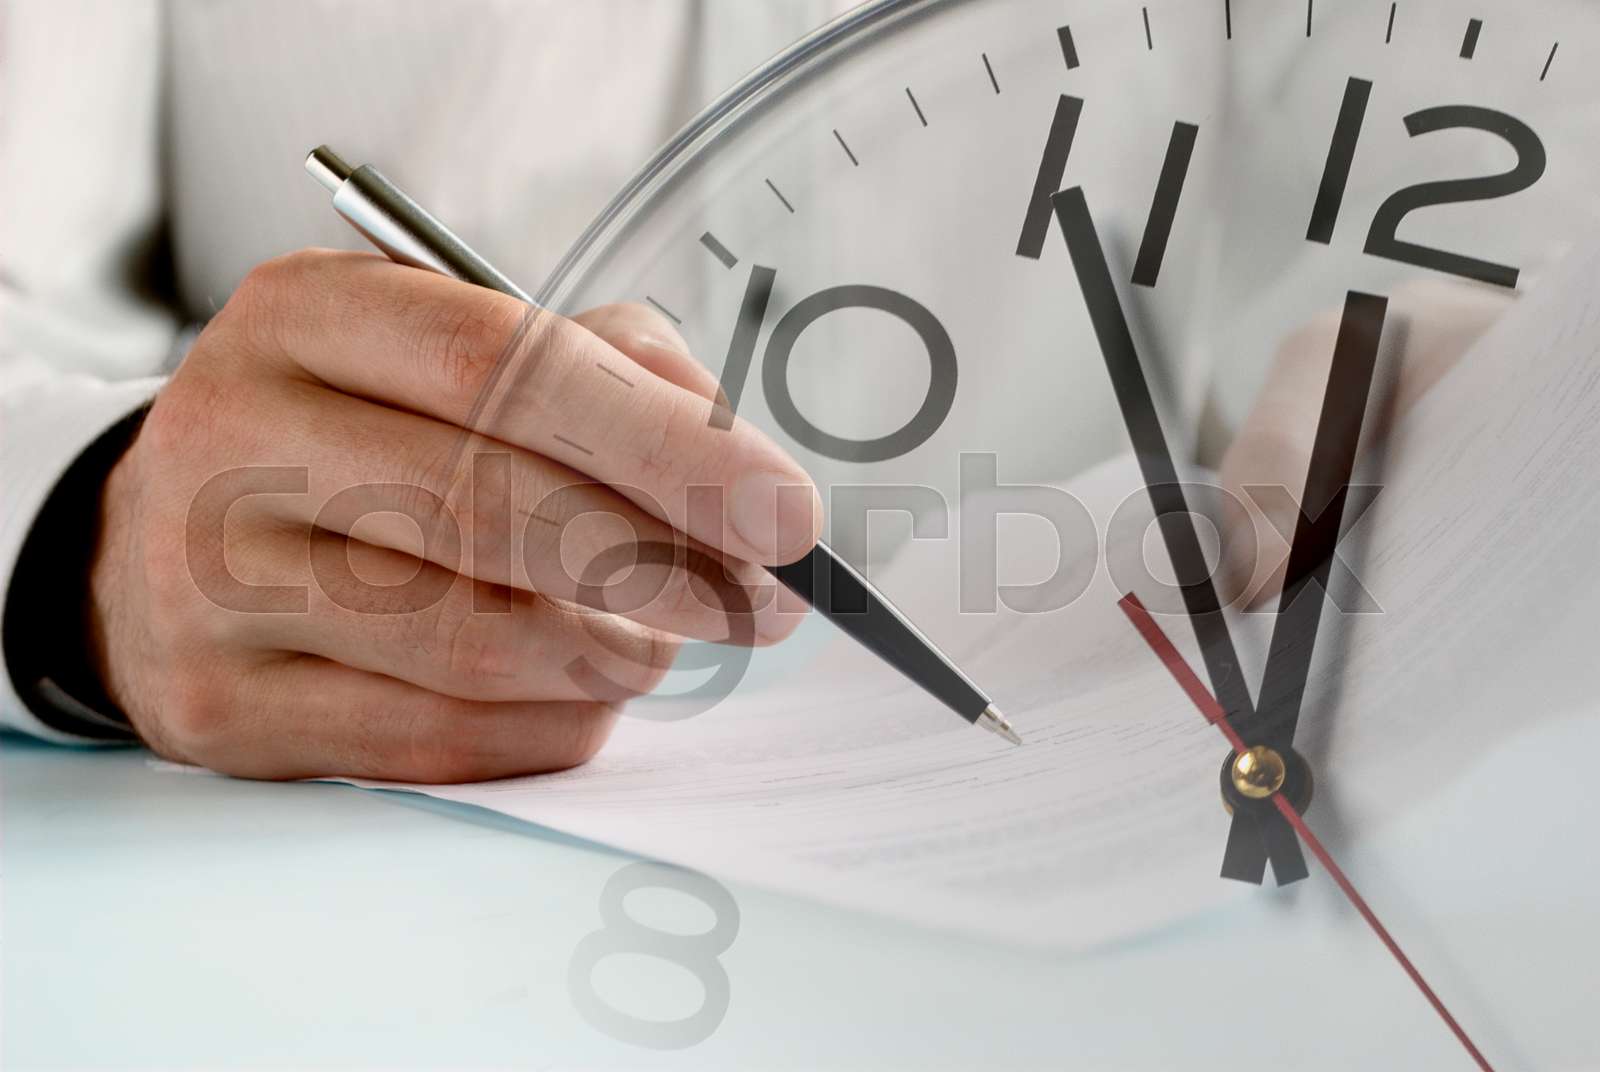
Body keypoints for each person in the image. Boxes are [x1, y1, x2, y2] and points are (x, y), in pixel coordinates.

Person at [0, 1, 1529, 783]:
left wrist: (1513, 343)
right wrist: (95, 526)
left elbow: (1502, 125)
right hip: (279, 844)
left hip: (1127, 741)